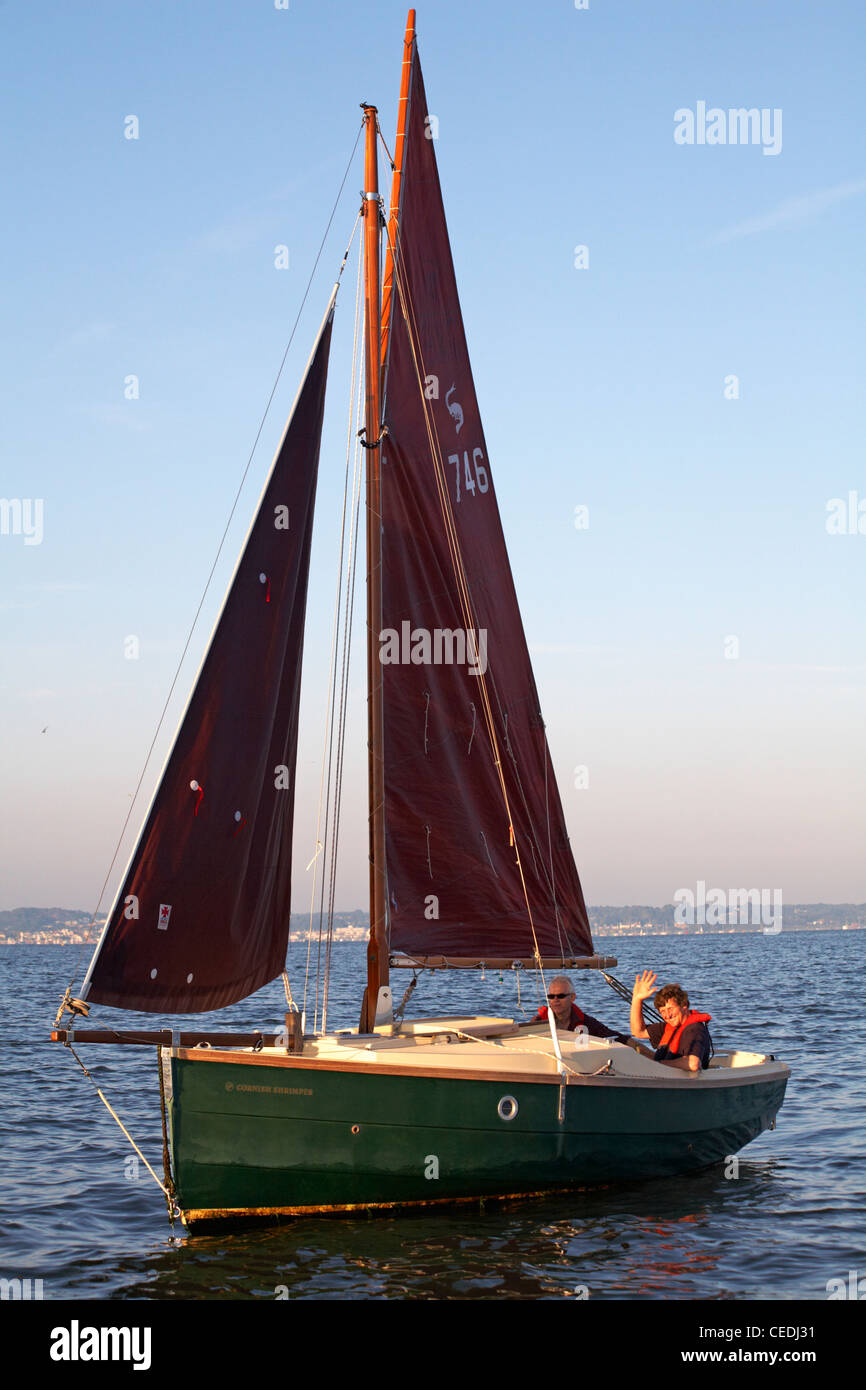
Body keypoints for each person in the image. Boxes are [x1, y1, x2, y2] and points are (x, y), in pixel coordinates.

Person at [629, 969, 712, 1072]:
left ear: (684, 1006)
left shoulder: (695, 1030)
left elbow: (693, 1064)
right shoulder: (668, 1027)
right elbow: (638, 1032)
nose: (667, 1015)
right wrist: (637, 999)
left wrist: (657, 1065)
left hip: (686, 1084)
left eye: (670, 1009)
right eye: (662, 1011)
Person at [526, 975, 627, 1041]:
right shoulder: (537, 1023)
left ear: (572, 997)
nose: (555, 1000)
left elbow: (618, 1038)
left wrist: (638, 1047)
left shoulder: (587, 1023)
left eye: (561, 996)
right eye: (551, 996)